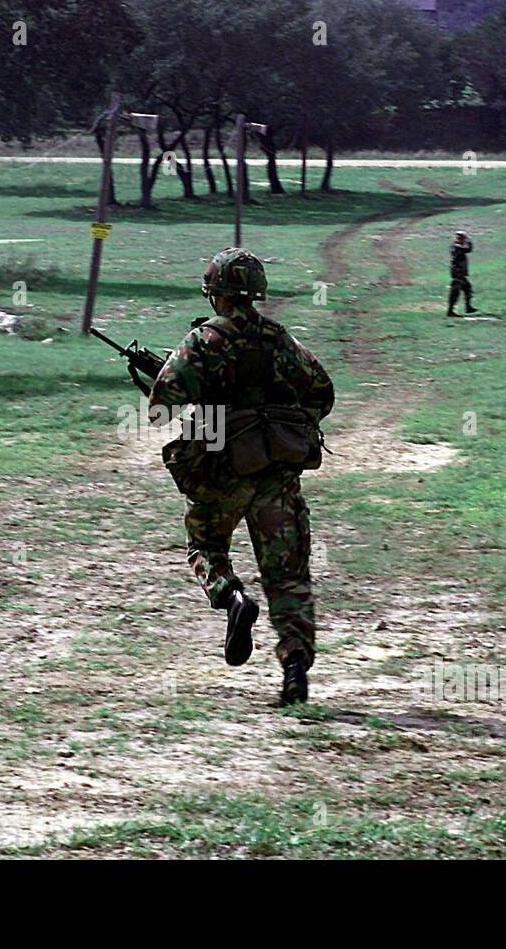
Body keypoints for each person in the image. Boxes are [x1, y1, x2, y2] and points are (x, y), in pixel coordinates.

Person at [149, 248, 335, 705]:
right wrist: (284, 424)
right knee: (288, 576)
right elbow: (322, 392)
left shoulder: (203, 340)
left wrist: (202, 405)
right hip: (277, 476)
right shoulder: (280, 339)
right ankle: (294, 666)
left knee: (206, 544)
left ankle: (232, 598)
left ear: (216, 295)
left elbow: (160, 407)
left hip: (222, 471)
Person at [446, 231, 477, 317]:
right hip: (458, 274)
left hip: (461, 274)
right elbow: (468, 249)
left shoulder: (456, 247)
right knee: (455, 293)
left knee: (468, 289)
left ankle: (468, 307)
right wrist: (469, 241)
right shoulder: (456, 247)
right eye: (463, 239)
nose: (464, 241)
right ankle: (450, 311)